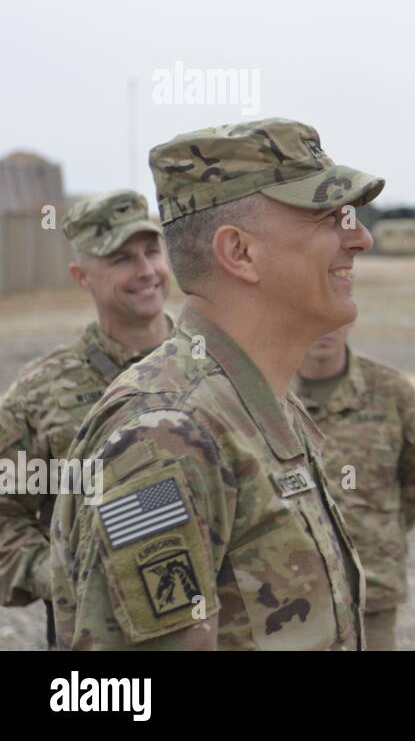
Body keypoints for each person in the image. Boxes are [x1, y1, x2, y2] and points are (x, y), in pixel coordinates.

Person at [49, 118, 384, 650]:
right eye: (329, 218)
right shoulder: (165, 436)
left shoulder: (249, 403)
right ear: (240, 253)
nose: (360, 238)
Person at [0, 189, 172, 648]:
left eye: (151, 251)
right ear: (82, 276)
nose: (145, 271)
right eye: (121, 259)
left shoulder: (216, 367)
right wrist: (59, 574)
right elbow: (5, 516)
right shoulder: (40, 394)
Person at [291, 321, 415, 650]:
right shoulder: (271, 390)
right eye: (316, 316)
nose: (325, 328)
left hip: (370, 589)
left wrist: (382, 532)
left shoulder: (390, 391)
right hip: (293, 594)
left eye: (336, 317)